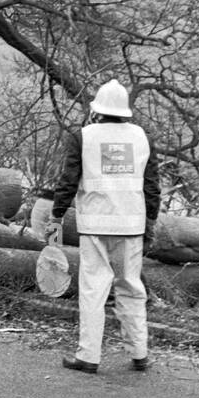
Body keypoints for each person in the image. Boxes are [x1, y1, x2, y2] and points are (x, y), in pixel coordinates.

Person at [45, 79, 160, 374]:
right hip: (131, 224)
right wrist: (150, 224)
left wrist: (56, 215)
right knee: (132, 288)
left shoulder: (83, 137)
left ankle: (88, 356)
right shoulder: (142, 137)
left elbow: (68, 180)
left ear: (97, 110)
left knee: (94, 289)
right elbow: (152, 187)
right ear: (125, 111)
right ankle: (139, 354)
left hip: (95, 226)